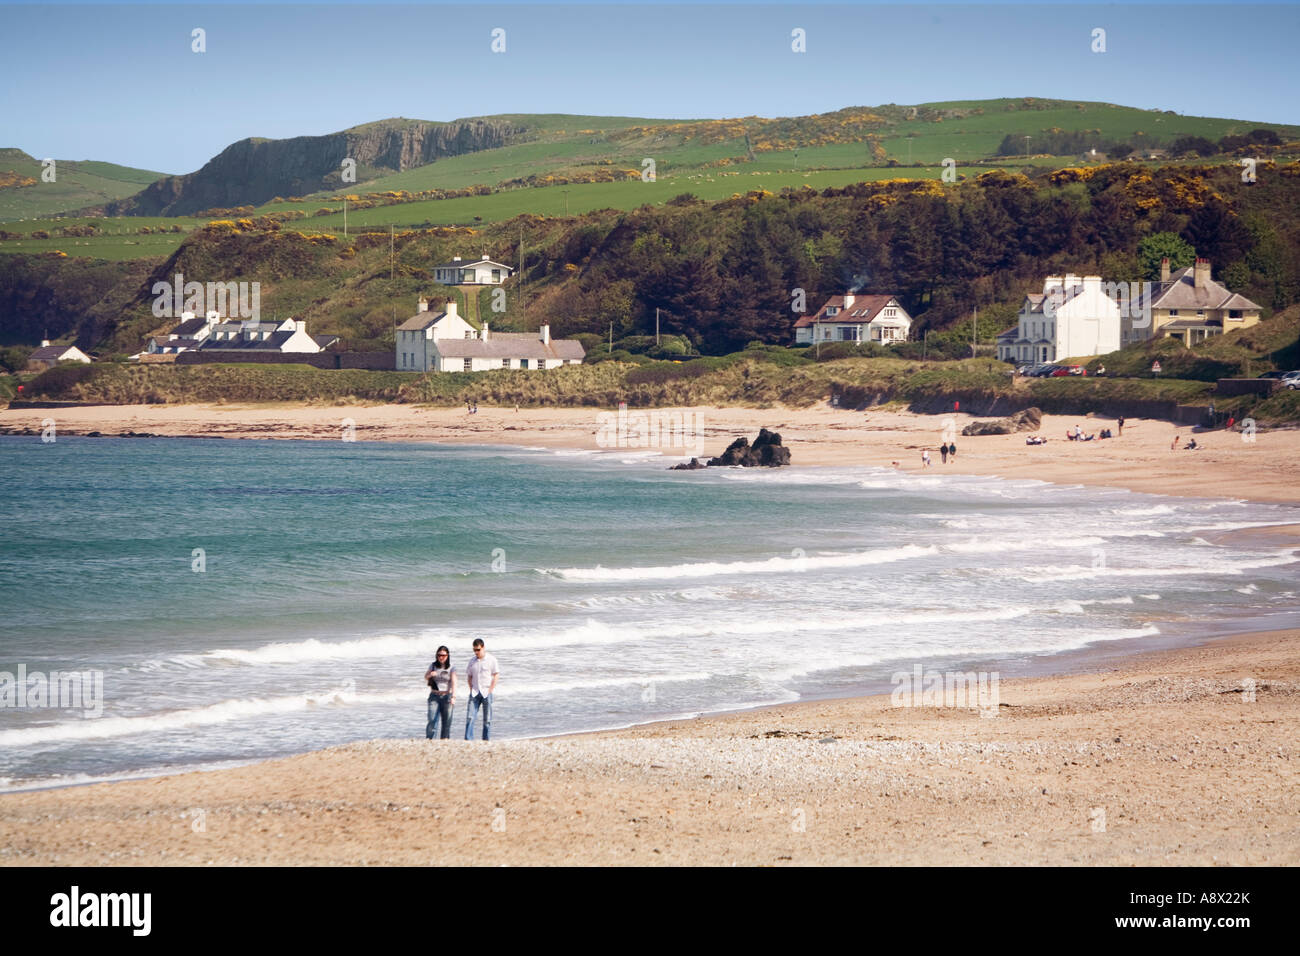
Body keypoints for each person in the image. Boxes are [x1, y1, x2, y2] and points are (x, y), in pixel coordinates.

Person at [464, 638, 500, 741]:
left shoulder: (491, 659)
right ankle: (468, 740)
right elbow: (469, 676)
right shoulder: (472, 661)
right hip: (475, 692)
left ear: (483, 648)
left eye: (478, 650)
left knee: (487, 720)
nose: (476, 652)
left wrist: (491, 689)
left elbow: (496, 674)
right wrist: (471, 688)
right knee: (470, 717)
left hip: (486, 692)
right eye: (474, 650)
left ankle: (485, 740)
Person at [424, 646, 456, 740]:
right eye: (439, 655)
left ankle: (444, 741)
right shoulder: (433, 665)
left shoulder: (451, 667)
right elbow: (426, 677)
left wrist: (454, 696)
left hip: (447, 696)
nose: (441, 657)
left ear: (447, 656)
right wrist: (430, 674)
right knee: (432, 719)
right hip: (434, 696)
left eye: (443, 655)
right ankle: (430, 740)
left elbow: (454, 682)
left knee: (447, 722)